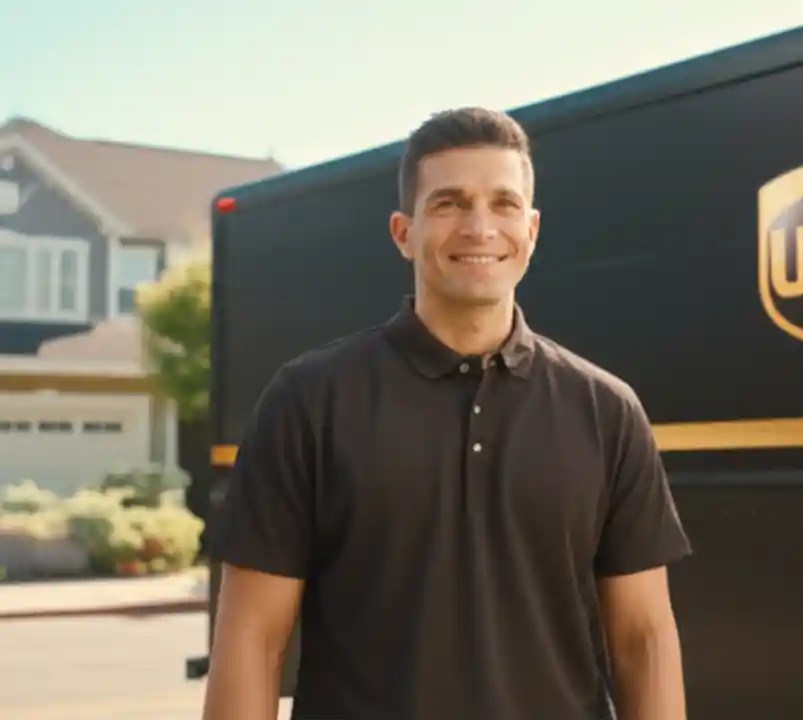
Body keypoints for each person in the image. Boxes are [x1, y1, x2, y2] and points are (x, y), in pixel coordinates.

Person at [202, 107, 693, 720]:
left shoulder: (606, 410)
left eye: (504, 204)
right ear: (403, 232)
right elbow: (253, 638)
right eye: (449, 204)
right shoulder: (308, 401)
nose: (479, 227)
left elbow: (643, 640)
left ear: (532, 229)